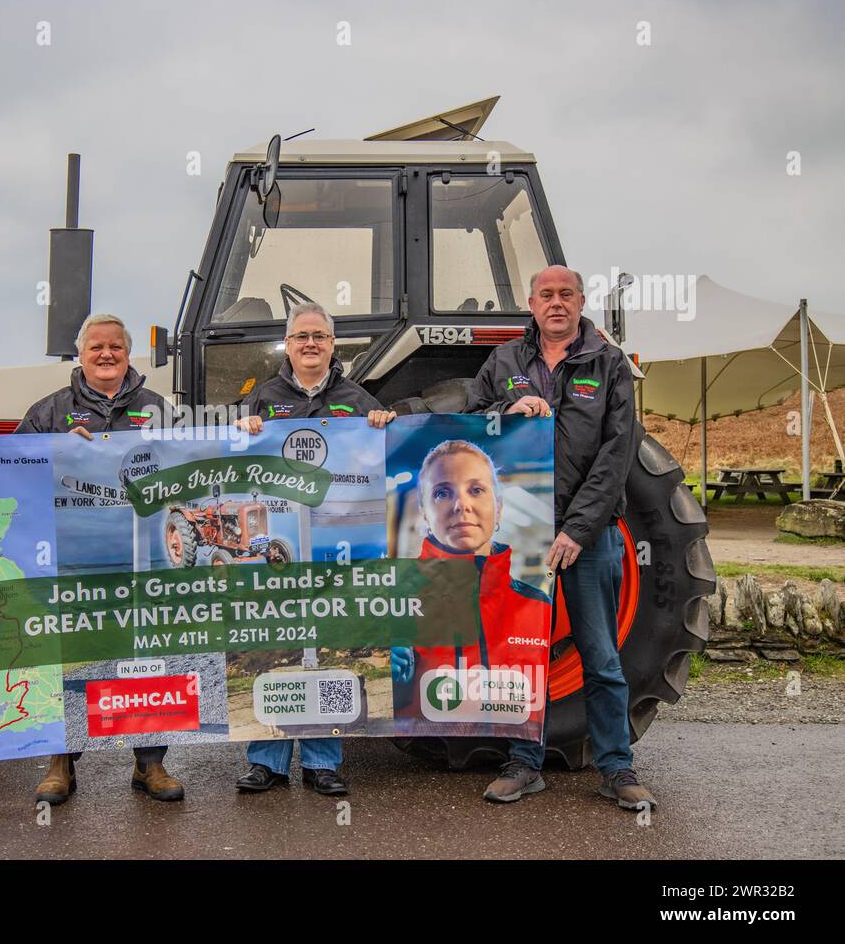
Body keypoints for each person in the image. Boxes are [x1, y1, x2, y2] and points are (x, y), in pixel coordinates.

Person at [465, 265, 655, 811]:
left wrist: (578, 528)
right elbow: (470, 422)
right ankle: (524, 763)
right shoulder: (503, 362)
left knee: (600, 654)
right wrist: (506, 410)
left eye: (565, 294)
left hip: (586, 536)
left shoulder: (608, 363)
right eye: (545, 295)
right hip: (521, 533)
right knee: (522, 653)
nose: (556, 303)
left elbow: (616, 454)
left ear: (580, 301)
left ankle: (616, 767)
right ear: (530, 303)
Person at [16, 312, 185, 805]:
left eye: (116, 346)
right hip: (72, 560)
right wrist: (53, 449)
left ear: (128, 354)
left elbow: (191, 465)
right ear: (81, 355)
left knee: (146, 656)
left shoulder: (160, 409)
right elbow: (11, 464)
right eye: (96, 347)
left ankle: (150, 765)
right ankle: (59, 765)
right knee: (68, 658)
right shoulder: (49, 411)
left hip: (142, 559)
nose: (106, 354)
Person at [233, 302, 396, 796]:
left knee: (326, 642)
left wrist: (385, 421)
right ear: (288, 342)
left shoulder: (356, 397)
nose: (310, 344)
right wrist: (243, 431)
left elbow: (381, 456)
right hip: (279, 541)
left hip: (332, 541)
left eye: (319, 337)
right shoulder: (263, 397)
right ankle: (268, 760)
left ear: (331, 344)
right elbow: (239, 463)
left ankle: (323, 762)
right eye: (301, 336)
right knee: (273, 641)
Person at [389, 440, 551, 744]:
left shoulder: (537, 606)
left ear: (498, 508)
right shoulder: (393, 602)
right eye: (442, 493)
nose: (461, 504)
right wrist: (388, 681)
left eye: (476, 490)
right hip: (427, 757)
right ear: (424, 513)